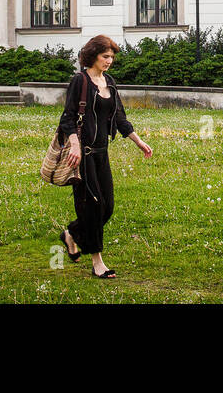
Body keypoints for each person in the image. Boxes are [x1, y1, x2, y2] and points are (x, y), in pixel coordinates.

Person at [57, 34, 152, 278]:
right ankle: (98, 262)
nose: (109, 61)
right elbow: (68, 118)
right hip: (83, 155)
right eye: (105, 56)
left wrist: (139, 142)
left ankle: (72, 234)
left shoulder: (109, 81)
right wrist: (75, 145)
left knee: (107, 207)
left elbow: (119, 117)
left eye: (111, 57)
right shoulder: (80, 81)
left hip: (102, 153)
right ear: (93, 56)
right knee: (94, 206)